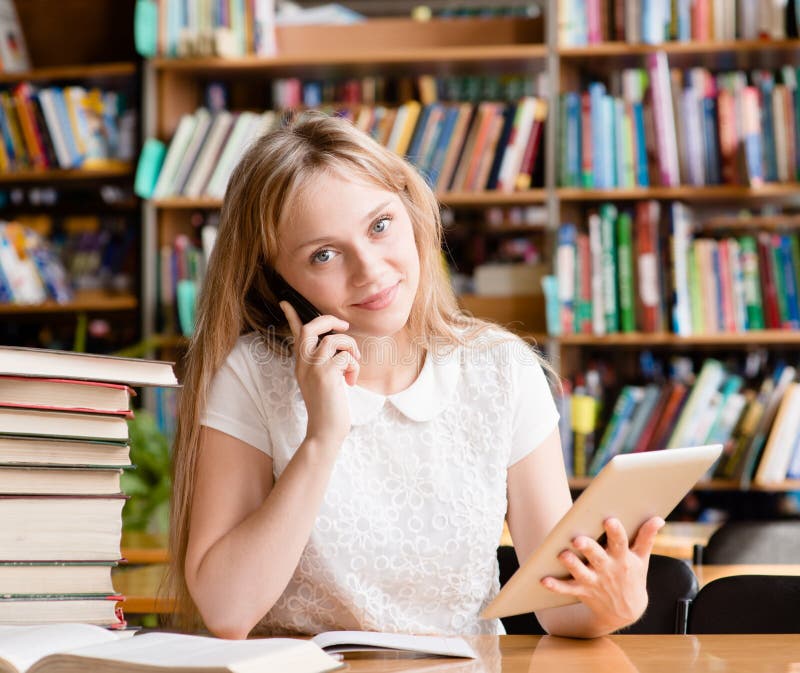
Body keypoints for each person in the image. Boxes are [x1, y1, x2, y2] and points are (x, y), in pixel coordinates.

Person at [167, 112, 664, 640]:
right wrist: (322, 437)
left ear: (412, 210)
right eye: (324, 255)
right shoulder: (253, 374)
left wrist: (617, 602)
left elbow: (561, 607)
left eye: (380, 226)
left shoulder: (502, 370)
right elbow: (226, 611)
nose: (371, 270)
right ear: (279, 276)